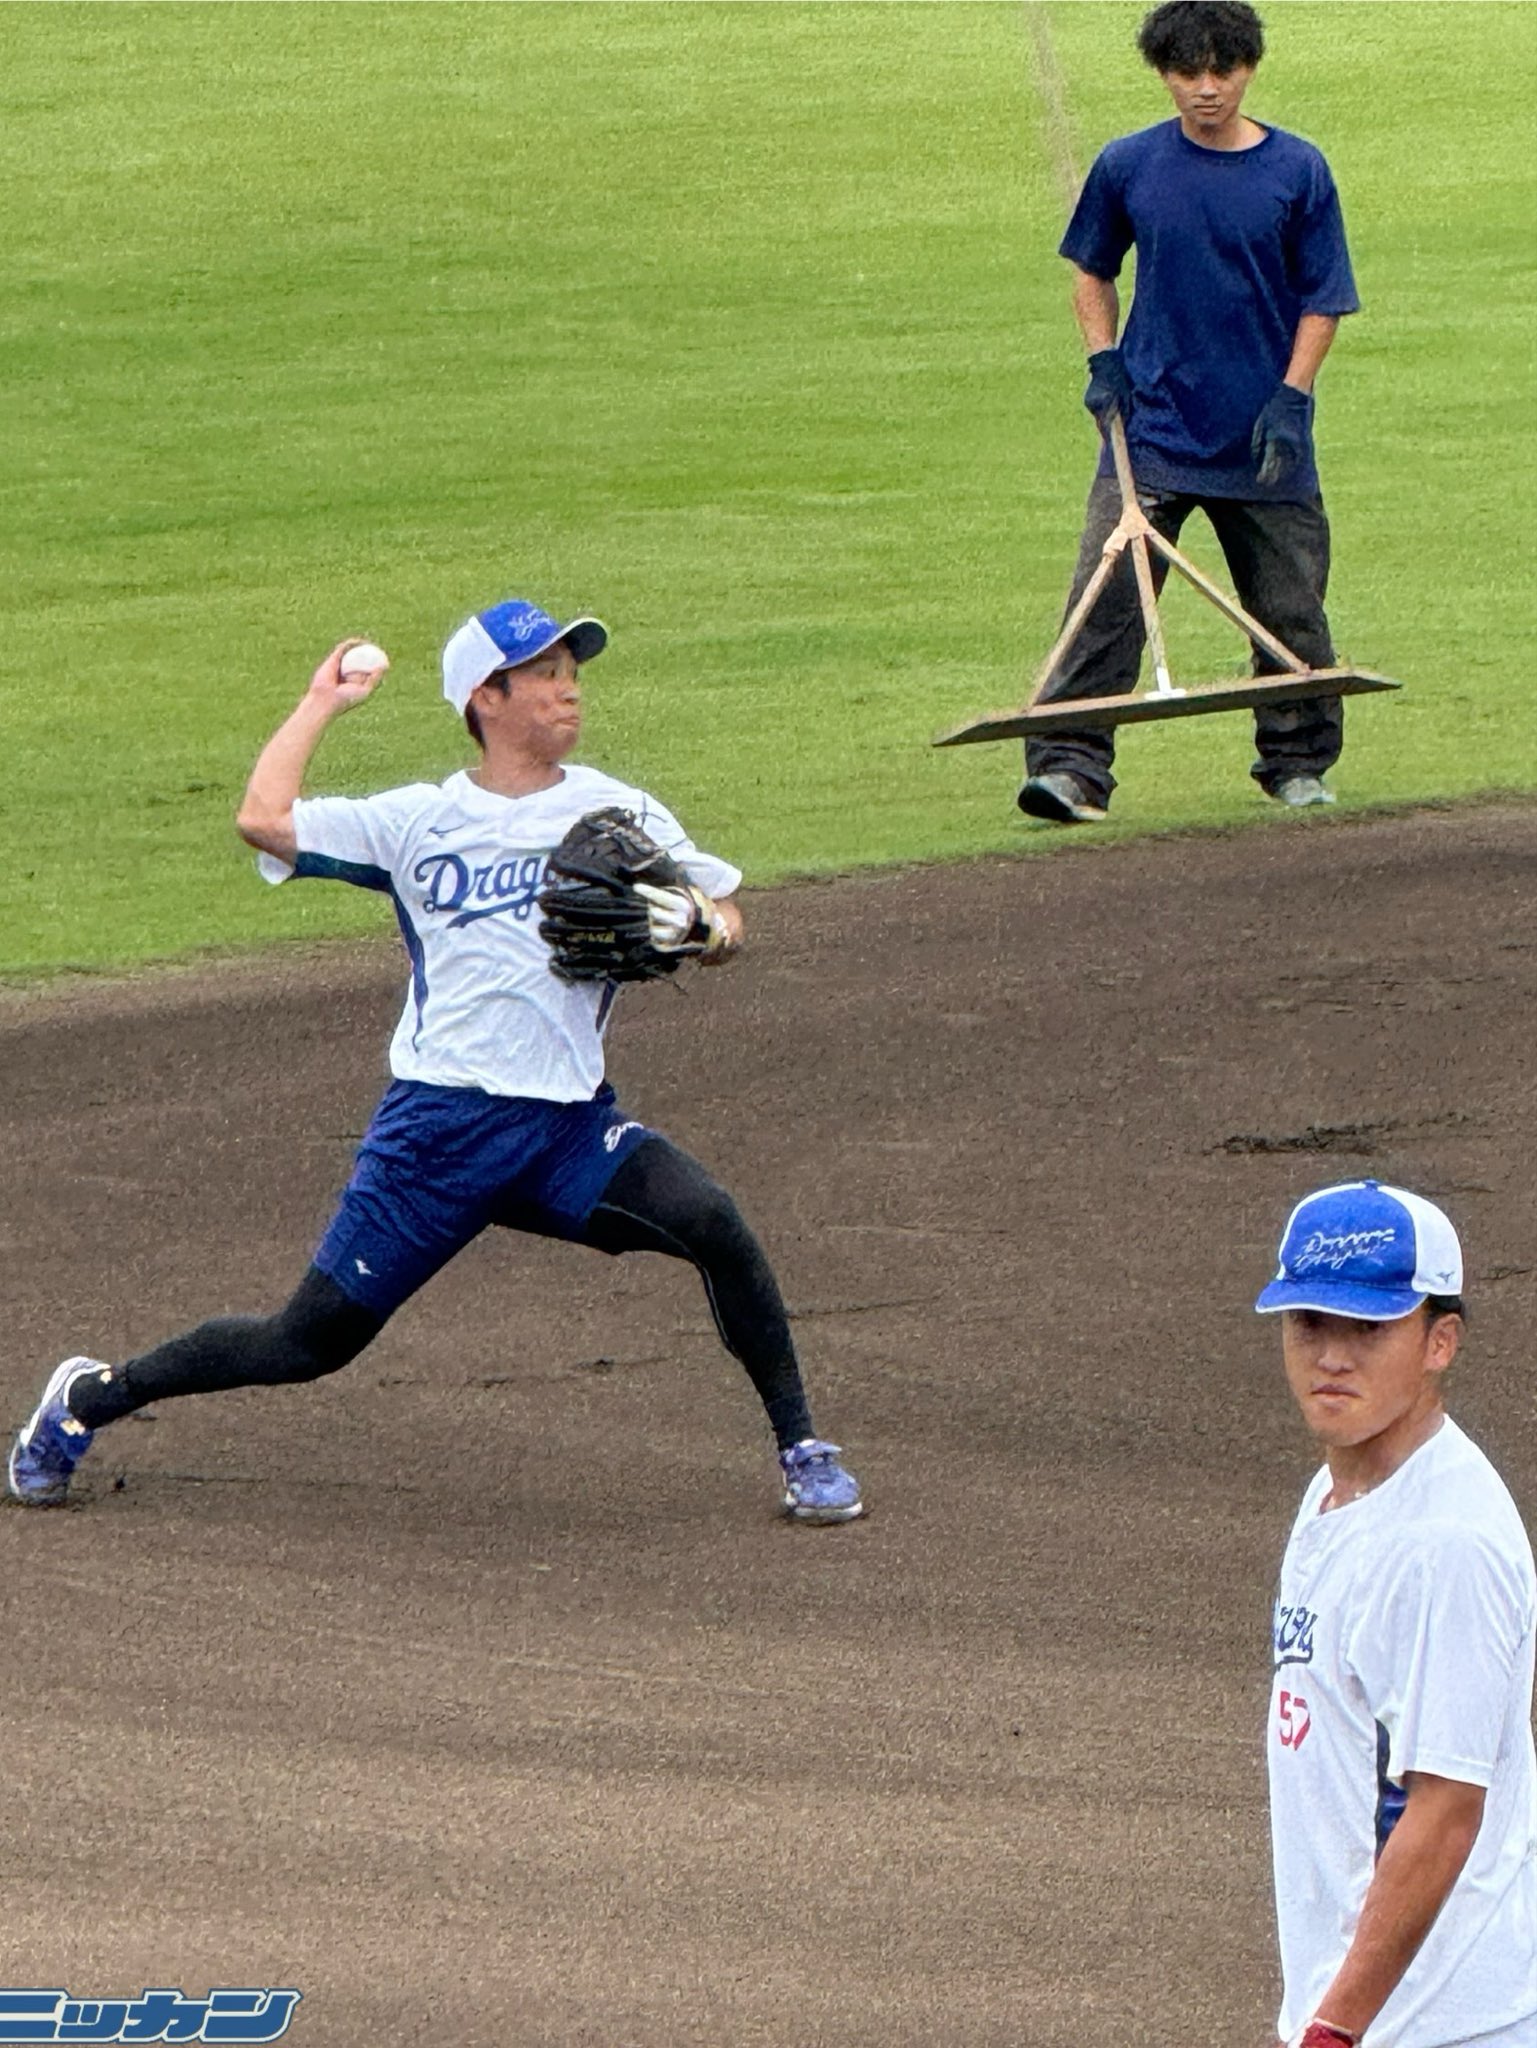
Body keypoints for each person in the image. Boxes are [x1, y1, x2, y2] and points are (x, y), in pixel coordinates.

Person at [8, 600, 862, 1525]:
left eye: (571, 667)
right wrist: (318, 705)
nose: (566, 685)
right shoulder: (416, 823)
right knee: (307, 1341)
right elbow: (263, 819)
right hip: (436, 1135)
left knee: (713, 1223)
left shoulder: (618, 808)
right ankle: (87, 1399)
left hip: (566, 1130)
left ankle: (802, 1448)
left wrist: (702, 932)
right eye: (542, 672)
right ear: (485, 697)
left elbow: (729, 911)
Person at [1019, 0, 1361, 826]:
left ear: (1248, 69)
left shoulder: (1298, 170)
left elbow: (1324, 297)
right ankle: (1069, 770)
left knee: (1289, 610)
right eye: (1186, 73)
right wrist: (1103, 361)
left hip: (1262, 438)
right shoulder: (1128, 164)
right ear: (1163, 74)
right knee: (1104, 604)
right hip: (1151, 432)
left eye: (1222, 70)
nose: (1205, 89)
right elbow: (1090, 269)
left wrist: (1291, 396)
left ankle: (1295, 762)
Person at [1256, 1180, 1536, 2048]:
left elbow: (1445, 1810)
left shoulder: (1442, 1543)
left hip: (1434, 2025)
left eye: (1367, 1329)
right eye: (1310, 1324)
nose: (1331, 1358)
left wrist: (1332, 2029)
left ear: (1438, 1342)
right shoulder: (1336, 1488)